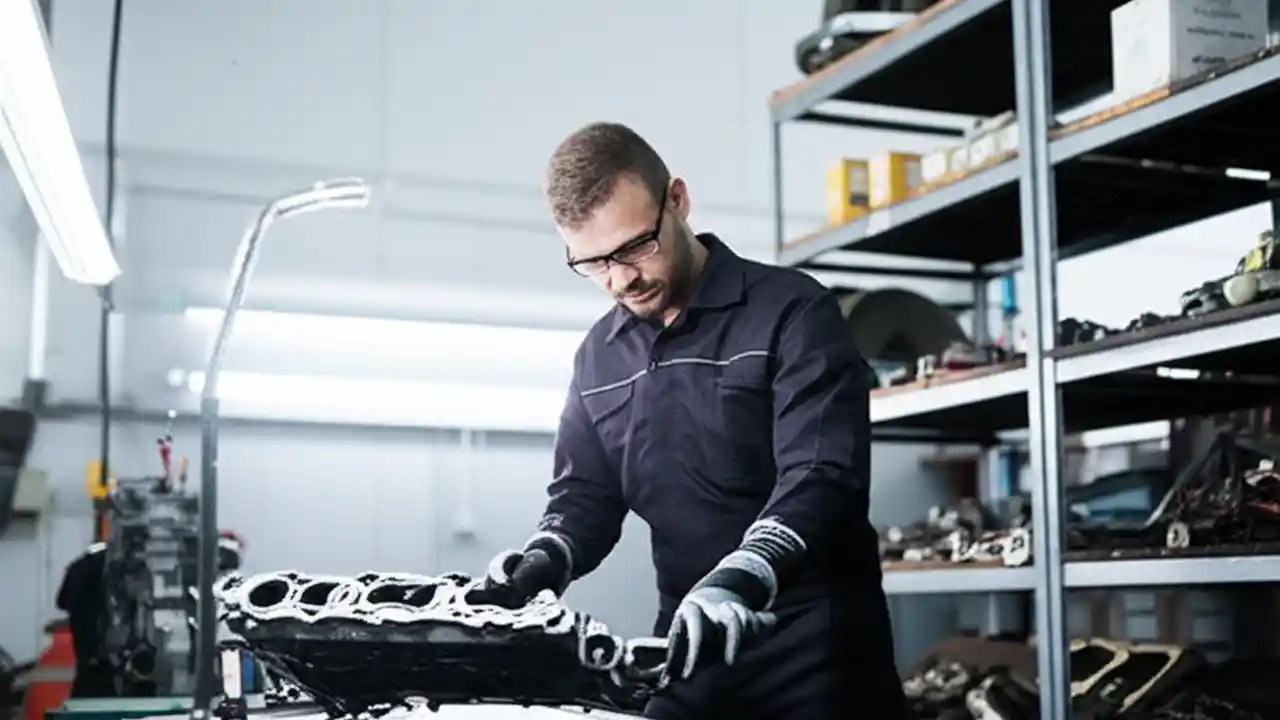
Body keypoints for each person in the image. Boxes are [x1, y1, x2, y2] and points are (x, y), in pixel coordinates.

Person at [481, 121, 906, 718]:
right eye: (593, 263)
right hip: (688, 646)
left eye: (634, 248)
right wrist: (542, 562)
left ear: (677, 201)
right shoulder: (599, 355)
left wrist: (742, 574)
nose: (620, 279)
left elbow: (820, 475)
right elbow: (585, 493)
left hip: (816, 650)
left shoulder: (792, 311)